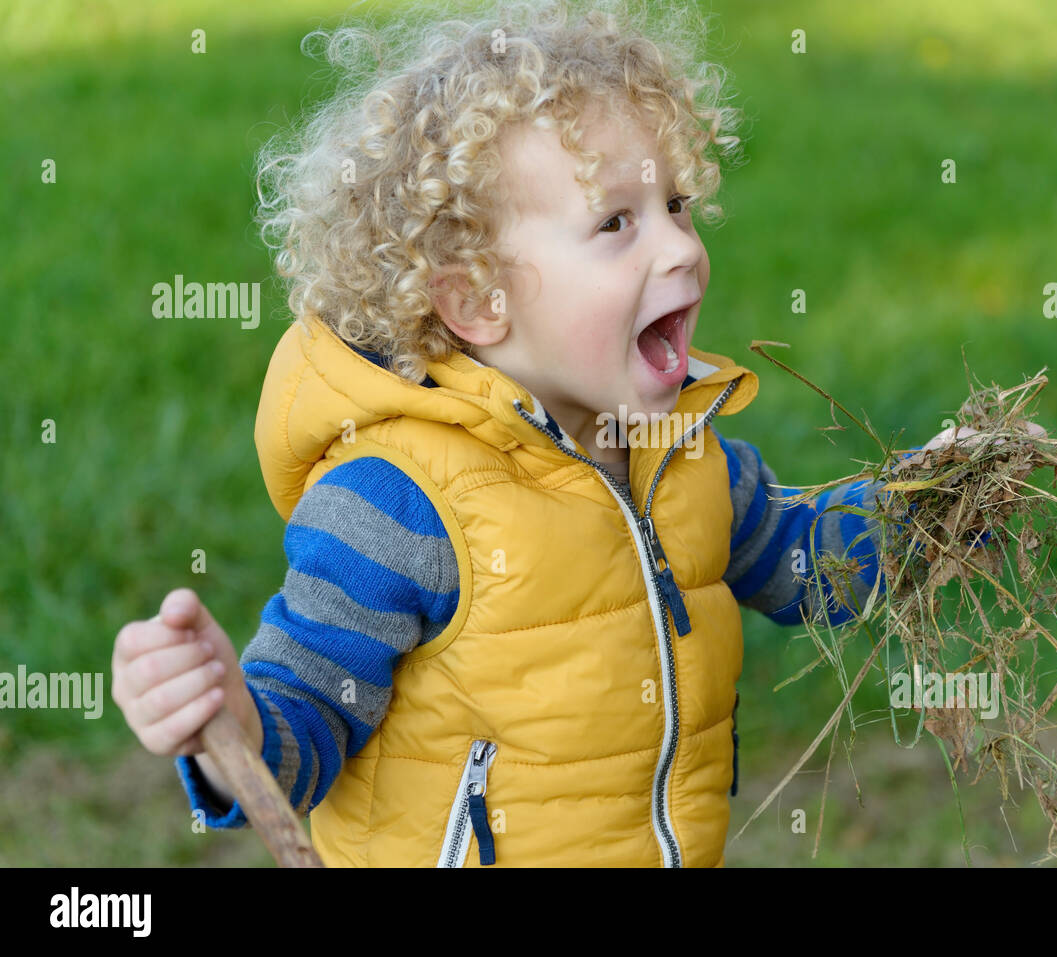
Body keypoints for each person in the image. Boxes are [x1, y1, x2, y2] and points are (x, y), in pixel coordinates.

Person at [110, 0, 987, 866]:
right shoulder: (397, 501)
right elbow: (304, 724)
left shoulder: (685, 453)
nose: (680, 249)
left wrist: (932, 503)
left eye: (676, 205)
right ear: (477, 300)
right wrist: (229, 718)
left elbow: (803, 564)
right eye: (616, 223)